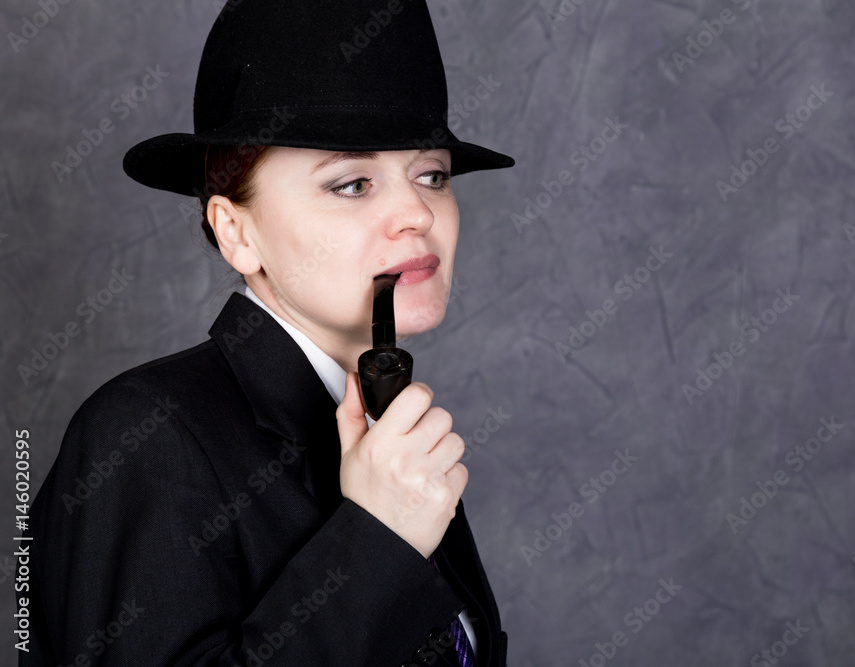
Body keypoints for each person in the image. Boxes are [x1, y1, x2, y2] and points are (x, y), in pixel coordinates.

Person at [21, 0, 514, 664]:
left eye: (432, 174)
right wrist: (378, 541)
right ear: (237, 231)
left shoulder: (393, 430)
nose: (417, 213)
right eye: (352, 183)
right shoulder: (144, 436)